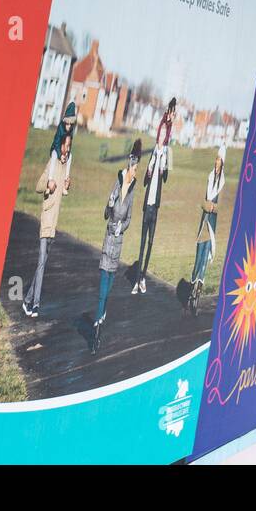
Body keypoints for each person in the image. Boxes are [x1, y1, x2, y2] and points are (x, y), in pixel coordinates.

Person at [93, 138, 142, 354]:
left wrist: (122, 226)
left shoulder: (132, 191)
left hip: (118, 240)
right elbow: (105, 214)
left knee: (110, 282)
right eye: (135, 167)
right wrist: (109, 205)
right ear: (129, 168)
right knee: (103, 284)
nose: (136, 171)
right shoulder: (119, 183)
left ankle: (102, 312)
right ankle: (97, 326)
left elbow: (130, 218)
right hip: (108, 240)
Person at [23, 133, 71, 317]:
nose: (67, 149)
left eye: (69, 146)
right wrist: (48, 185)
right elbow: (38, 186)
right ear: (60, 147)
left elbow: (64, 192)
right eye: (65, 146)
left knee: (42, 264)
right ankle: (36, 304)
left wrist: (67, 185)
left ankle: (27, 300)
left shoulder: (64, 166)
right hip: (46, 219)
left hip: (54, 222)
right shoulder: (51, 164)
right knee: (41, 262)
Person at [132, 100, 175, 296]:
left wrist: (164, 166)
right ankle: (137, 279)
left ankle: (143, 278)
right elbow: (144, 181)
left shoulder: (166, 154)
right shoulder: (153, 154)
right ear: (159, 135)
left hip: (155, 207)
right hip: (146, 205)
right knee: (142, 242)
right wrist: (148, 171)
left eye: (166, 135)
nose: (163, 136)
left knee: (150, 243)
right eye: (162, 134)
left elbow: (165, 179)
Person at [189, 145, 226, 301]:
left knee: (204, 262)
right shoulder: (209, 177)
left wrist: (212, 206)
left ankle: (197, 296)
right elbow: (202, 200)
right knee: (198, 260)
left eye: (219, 161)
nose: (217, 163)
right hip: (202, 226)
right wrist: (207, 205)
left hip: (211, 228)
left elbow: (220, 206)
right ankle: (192, 289)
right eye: (216, 160)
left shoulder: (222, 183)